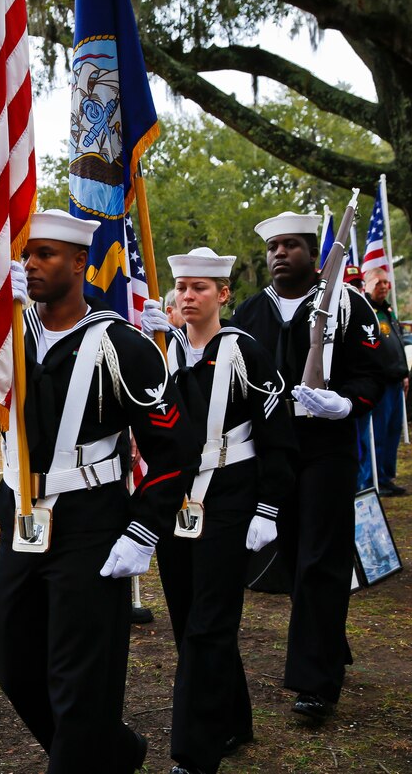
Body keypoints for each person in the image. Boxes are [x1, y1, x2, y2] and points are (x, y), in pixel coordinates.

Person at [0, 209, 196, 773]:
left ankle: (83, 754)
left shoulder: (125, 346)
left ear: (80, 262)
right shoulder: (1, 339)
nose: (30, 265)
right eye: (26, 255)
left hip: (91, 525)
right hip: (21, 520)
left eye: (45, 254)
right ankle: (111, 752)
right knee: (13, 663)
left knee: (81, 681)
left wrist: (143, 530)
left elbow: (175, 453)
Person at [141, 247, 296, 774]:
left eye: (200, 287)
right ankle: (234, 717)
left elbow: (278, 434)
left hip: (231, 495)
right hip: (178, 500)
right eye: (182, 286)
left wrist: (268, 507)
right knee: (189, 620)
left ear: (223, 294)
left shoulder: (246, 352)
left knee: (210, 623)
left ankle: (195, 751)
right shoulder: (165, 351)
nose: (188, 295)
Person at [231, 211, 386, 723]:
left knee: (321, 558)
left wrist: (345, 404)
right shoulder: (251, 313)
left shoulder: (349, 304)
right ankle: (328, 643)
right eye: (274, 246)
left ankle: (315, 682)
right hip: (271, 452)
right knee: (295, 555)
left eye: (292, 245)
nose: (280, 254)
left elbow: (373, 373)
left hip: (324, 449)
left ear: (313, 253)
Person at [357, 267, 410, 495]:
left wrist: (404, 373)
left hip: (396, 381)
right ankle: (372, 480)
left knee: (392, 431)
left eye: (386, 283)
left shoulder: (387, 311)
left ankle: (387, 476)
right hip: (379, 383)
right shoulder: (365, 311)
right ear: (366, 285)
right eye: (378, 282)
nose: (384, 286)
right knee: (376, 433)